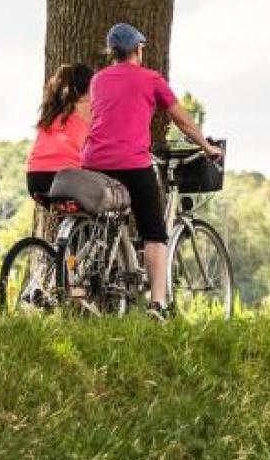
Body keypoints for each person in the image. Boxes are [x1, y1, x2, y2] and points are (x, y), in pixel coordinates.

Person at [80, 23, 221, 321]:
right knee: (154, 233)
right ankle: (157, 304)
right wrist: (207, 147)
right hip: (131, 163)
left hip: (93, 162)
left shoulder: (98, 81)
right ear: (138, 50)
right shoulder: (151, 79)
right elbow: (182, 121)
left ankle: (99, 276)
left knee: (104, 217)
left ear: (112, 53)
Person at [25, 63, 95, 203]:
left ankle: (71, 226)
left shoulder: (51, 110)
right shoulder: (87, 108)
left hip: (35, 179)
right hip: (64, 179)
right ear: (88, 87)